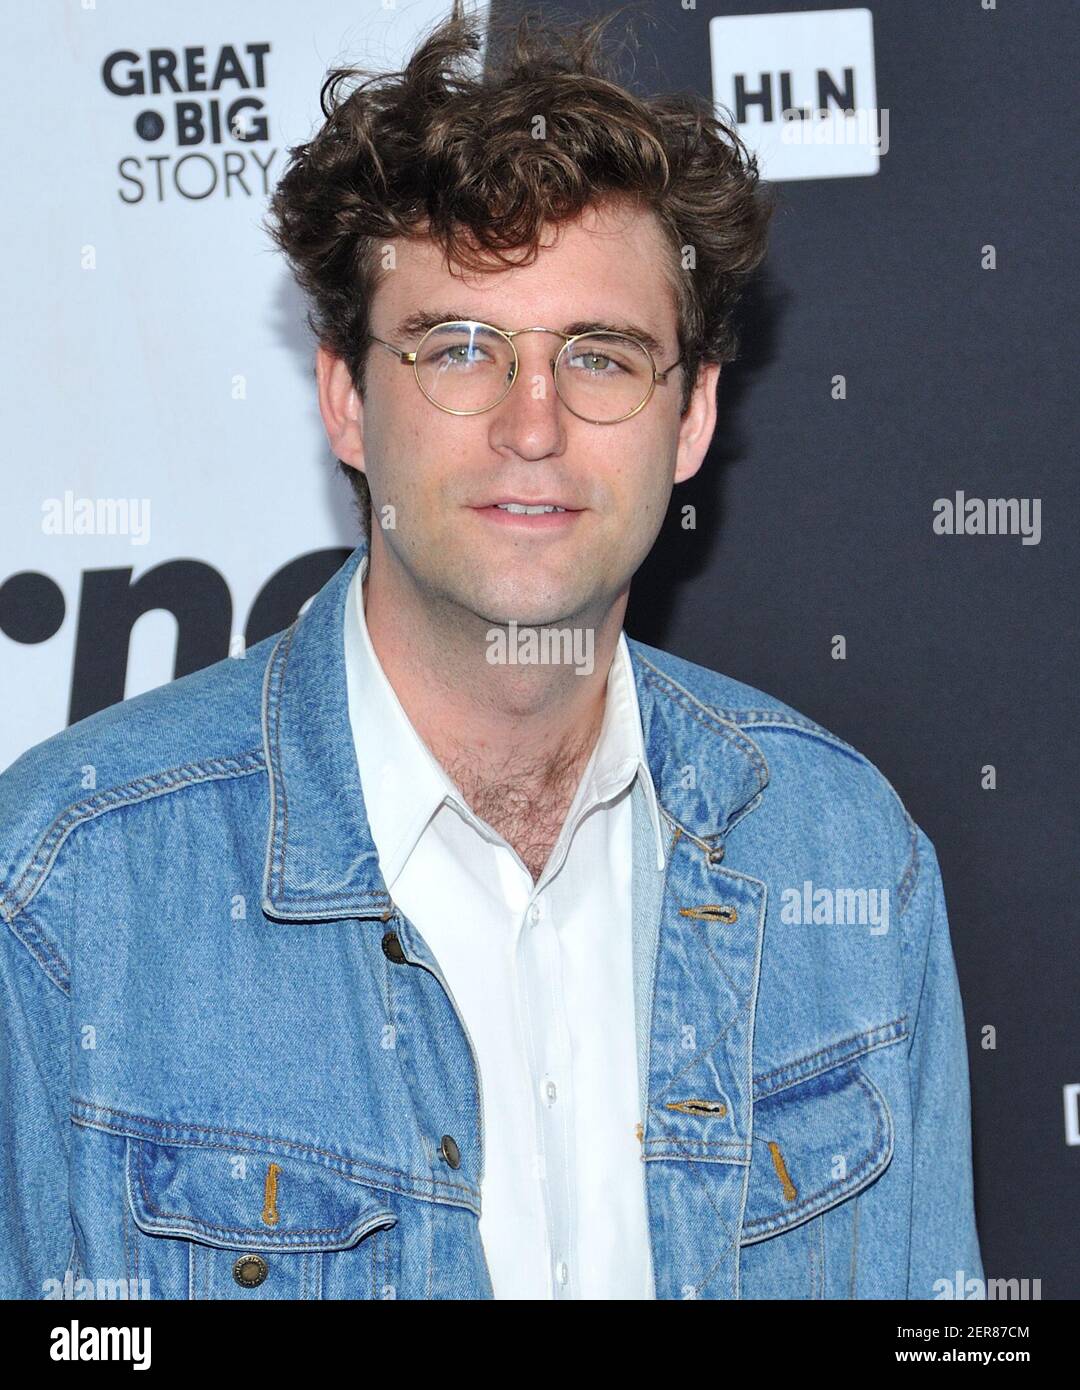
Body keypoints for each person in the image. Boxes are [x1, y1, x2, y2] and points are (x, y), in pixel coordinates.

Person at [0, 5, 982, 1300]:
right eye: (462, 347)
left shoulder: (848, 856)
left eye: (601, 354)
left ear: (690, 419)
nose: (535, 422)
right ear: (347, 394)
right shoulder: (69, 889)